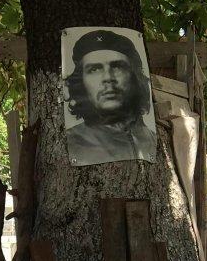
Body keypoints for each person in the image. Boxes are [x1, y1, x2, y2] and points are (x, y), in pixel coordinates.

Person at [64, 29, 158, 166]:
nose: (108, 78)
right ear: (80, 82)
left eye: (117, 67)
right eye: (95, 69)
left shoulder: (155, 141)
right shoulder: (71, 141)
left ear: (134, 77)